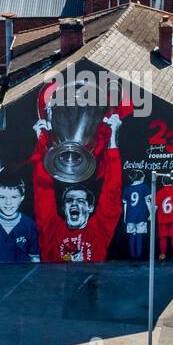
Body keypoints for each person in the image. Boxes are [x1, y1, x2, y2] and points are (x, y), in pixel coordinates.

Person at [31, 112, 124, 263]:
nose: (74, 203)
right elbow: (43, 191)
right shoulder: (52, 230)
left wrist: (113, 138)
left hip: (91, 285)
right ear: (63, 208)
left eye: (81, 200)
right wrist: (41, 142)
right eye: (69, 201)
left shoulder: (99, 230)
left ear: (90, 208)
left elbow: (112, 191)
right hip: (57, 286)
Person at [122, 170, 151, 259]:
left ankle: (132, 255)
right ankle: (139, 255)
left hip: (130, 216)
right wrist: (151, 213)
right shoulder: (145, 187)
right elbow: (147, 201)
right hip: (141, 215)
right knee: (139, 235)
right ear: (142, 177)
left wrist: (125, 216)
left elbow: (125, 204)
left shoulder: (127, 189)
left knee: (132, 234)